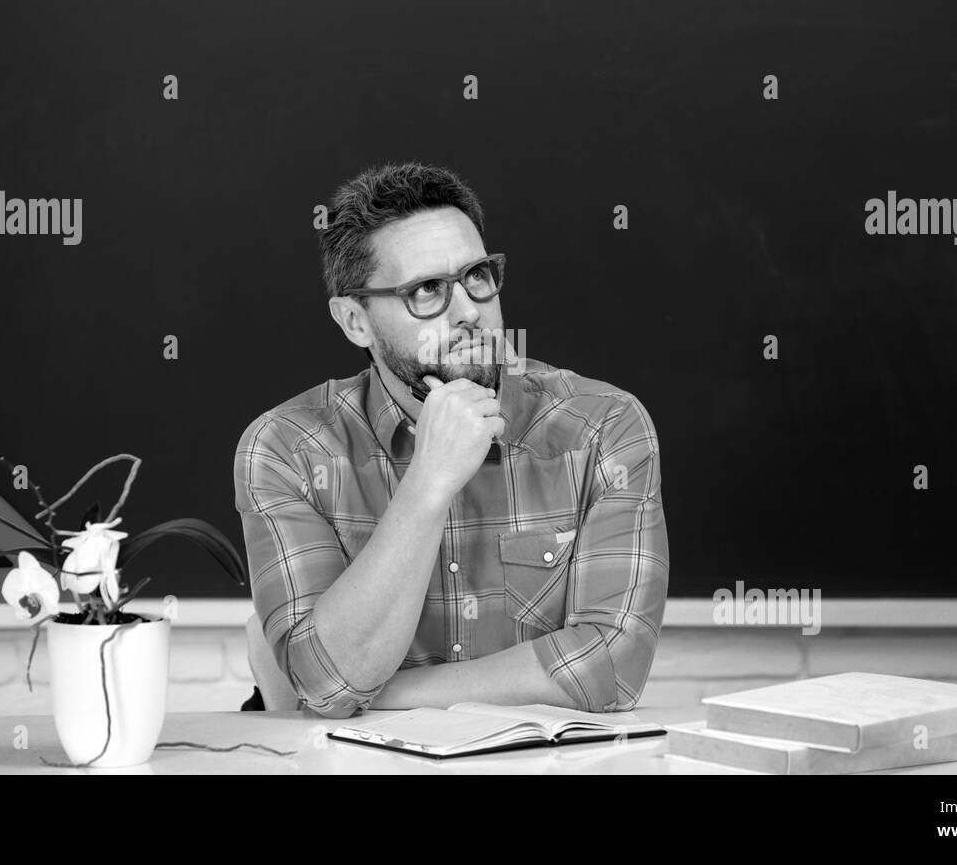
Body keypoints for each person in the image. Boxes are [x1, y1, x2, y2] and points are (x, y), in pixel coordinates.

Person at [233, 161, 668, 719]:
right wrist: (429, 483)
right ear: (354, 322)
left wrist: (378, 699)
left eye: (477, 276)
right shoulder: (286, 450)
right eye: (427, 290)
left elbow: (611, 668)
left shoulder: (602, 426)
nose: (469, 312)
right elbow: (329, 682)